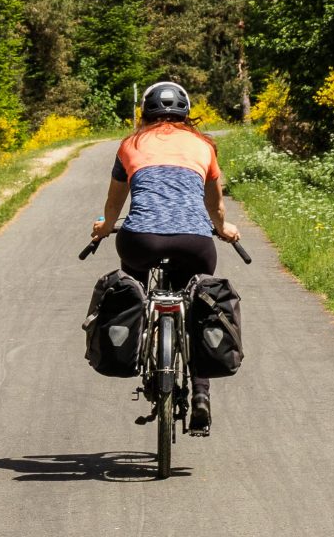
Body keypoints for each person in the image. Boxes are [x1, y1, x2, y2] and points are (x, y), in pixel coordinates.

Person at [88, 80, 240, 434]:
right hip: (194, 242)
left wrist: (103, 227)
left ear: (145, 112)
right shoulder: (204, 146)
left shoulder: (130, 145)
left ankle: (139, 339)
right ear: (186, 112)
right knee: (201, 302)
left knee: (134, 289)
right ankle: (201, 394)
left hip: (140, 240)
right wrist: (225, 228)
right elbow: (214, 206)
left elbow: (114, 205)